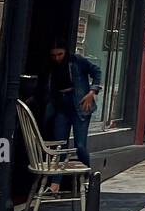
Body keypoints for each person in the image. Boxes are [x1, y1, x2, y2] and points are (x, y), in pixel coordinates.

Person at [39, 45, 101, 189]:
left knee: (80, 145)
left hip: (80, 105)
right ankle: (56, 182)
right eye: (54, 55)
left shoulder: (77, 60)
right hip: (61, 105)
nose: (57, 58)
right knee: (60, 144)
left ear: (65, 52)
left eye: (60, 54)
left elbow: (96, 71)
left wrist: (92, 92)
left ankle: (86, 177)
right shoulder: (52, 66)